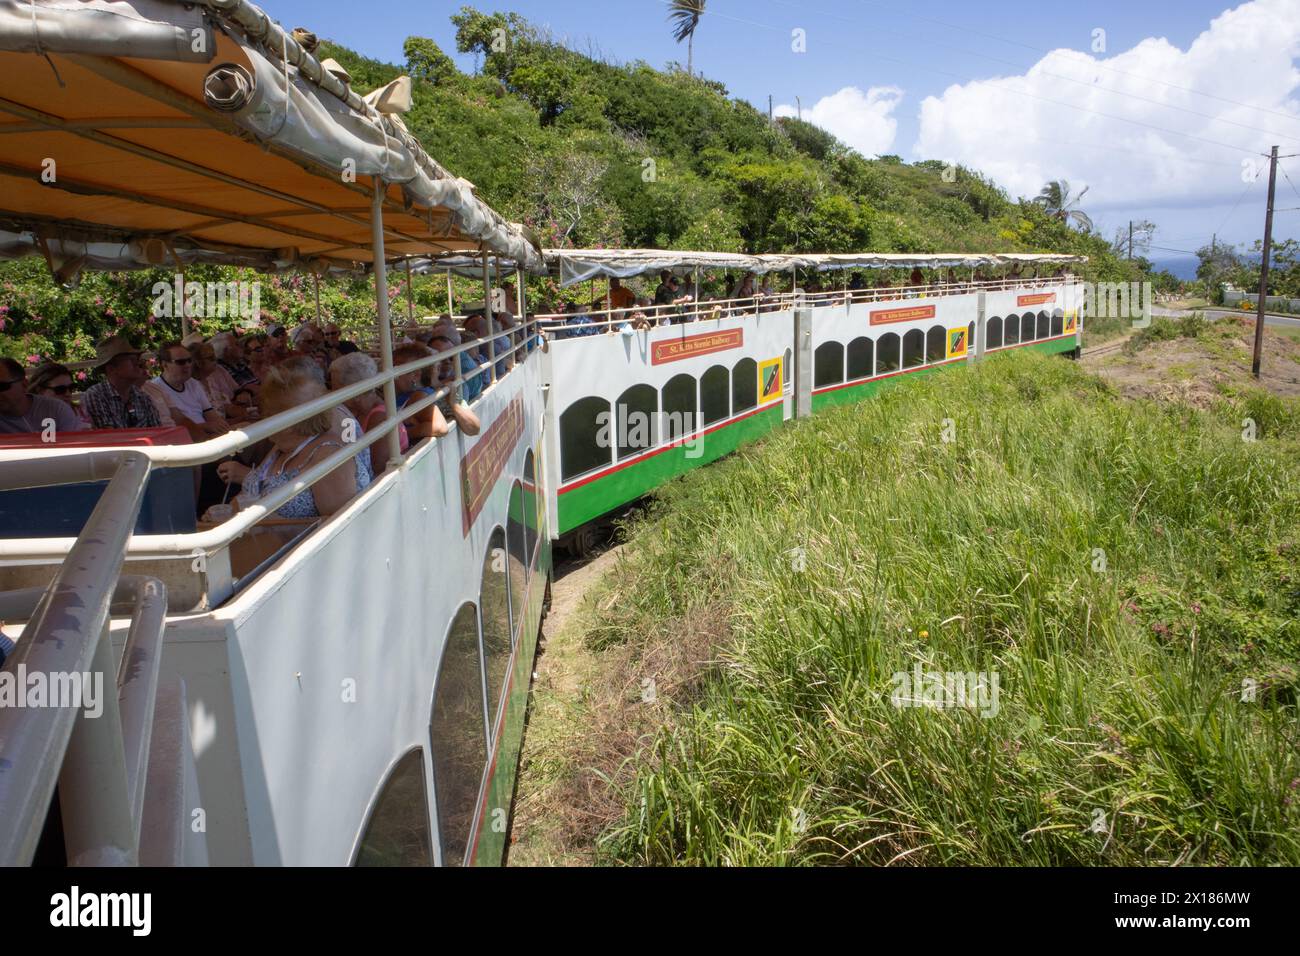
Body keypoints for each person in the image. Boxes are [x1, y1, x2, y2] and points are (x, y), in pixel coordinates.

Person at [219, 363, 370, 520]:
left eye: (266, 412)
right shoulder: (282, 448)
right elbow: (253, 492)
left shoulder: (328, 455)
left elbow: (339, 525)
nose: (262, 418)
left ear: (287, 422)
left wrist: (263, 519)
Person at [328, 352, 409, 475]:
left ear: (355, 390)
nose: (332, 393)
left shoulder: (379, 417)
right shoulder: (355, 412)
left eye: (336, 388)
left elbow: (377, 466)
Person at [142, 342, 229, 441]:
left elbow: (211, 415)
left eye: (189, 360)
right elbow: (173, 428)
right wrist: (206, 426)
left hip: (207, 436)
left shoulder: (193, 384)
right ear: (165, 364)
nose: (187, 365)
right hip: (187, 442)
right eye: (181, 362)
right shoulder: (156, 390)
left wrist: (221, 427)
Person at [81, 336, 167, 431]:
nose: (138, 364)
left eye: (137, 360)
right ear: (111, 369)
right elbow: (108, 437)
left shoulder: (143, 397)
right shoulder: (96, 395)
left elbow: (157, 432)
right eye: (132, 360)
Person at [0, 357, 86, 435]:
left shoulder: (58, 410)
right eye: (60, 390)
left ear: (24, 385)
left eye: (2, 386)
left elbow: (73, 447)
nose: (67, 394)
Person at [391, 343, 452, 441]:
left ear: (415, 375)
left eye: (398, 367)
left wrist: (402, 435)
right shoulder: (407, 395)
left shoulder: (419, 396)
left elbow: (440, 427)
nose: (392, 371)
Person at [429, 335, 483, 436]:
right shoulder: (418, 392)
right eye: (441, 357)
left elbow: (474, 429)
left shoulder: (455, 386)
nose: (448, 361)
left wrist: (453, 404)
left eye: (451, 357)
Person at [193, 342, 245, 422]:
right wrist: (241, 419)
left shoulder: (210, 380)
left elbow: (227, 407)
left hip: (227, 425)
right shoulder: (192, 387)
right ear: (198, 362)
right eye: (211, 358)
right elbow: (211, 423)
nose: (215, 360)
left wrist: (247, 413)